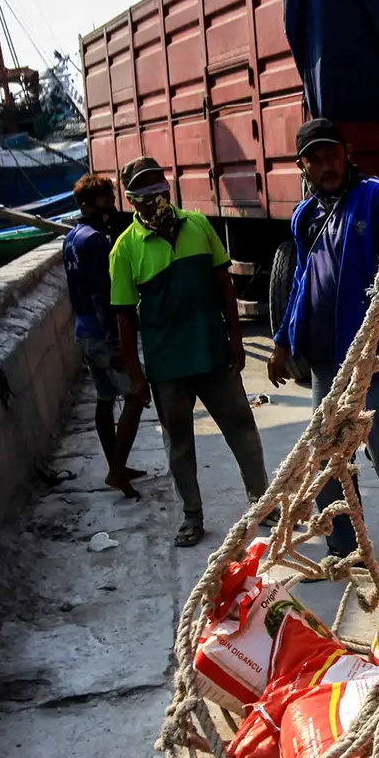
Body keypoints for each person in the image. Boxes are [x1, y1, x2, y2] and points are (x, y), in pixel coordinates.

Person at [267, 118, 379, 556]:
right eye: (315, 159)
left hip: (373, 356)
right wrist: (283, 340)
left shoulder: (376, 195)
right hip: (327, 360)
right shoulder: (305, 215)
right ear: (302, 166)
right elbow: (302, 282)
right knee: (325, 453)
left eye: (332, 154)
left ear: (346, 153)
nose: (326, 165)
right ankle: (345, 550)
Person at [109, 155, 268, 547]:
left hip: (212, 353)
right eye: (142, 189)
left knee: (242, 429)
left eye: (156, 185)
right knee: (178, 442)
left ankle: (263, 503)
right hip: (167, 365)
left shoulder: (199, 226)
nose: (153, 195)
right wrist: (135, 374)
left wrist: (237, 339)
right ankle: (192, 517)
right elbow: (125, 318)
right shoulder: (125, 249)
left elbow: (224, 286)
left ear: (167, 186)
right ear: (130, 198)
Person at [61, 172, 146, 497]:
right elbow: (102, 295)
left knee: (104, 398)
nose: (111, 207)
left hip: (83, 331)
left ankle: (117, 465)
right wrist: (116, 345)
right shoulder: (95, 241)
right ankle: (117, 469)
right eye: (105, 201)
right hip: (100, 333)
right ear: (87, 204)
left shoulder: (73, 237)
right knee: (135, 396)